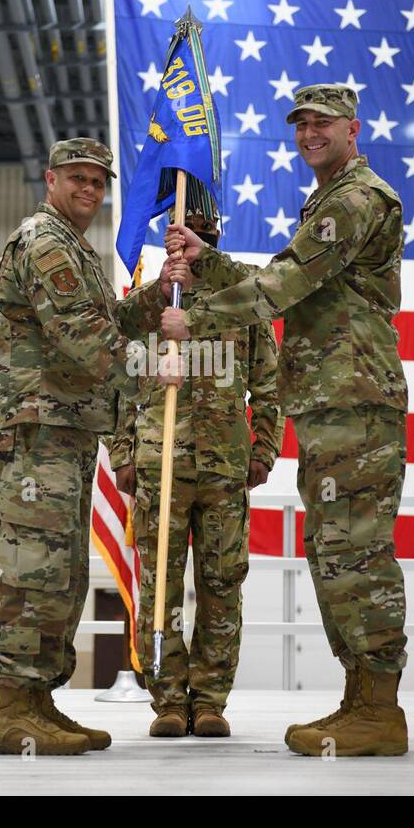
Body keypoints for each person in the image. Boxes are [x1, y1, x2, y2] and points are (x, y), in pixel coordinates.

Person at [159, 84, 410, 756]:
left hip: (355, 399)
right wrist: (205, 259)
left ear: (353, 128)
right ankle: (362, 698)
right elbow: (287, 272)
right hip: (334, 400)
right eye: (300, 124)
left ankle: (379, 707)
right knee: (334, 550)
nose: (308, 134)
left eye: (321, 123)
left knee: (356, 550)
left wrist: (197, 315)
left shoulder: (356, 200)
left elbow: (287, 283)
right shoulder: (329, 201)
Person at [0, 138, 184, 755]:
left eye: (98, 182)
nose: (88, 191)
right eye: (77, 179)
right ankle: (13, 709)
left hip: (63, 434)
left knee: (63, 573)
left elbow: (108, 324)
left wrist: (160, 294)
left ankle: (39, 701)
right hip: (34, 433)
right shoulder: (45, 242)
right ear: (50, 180)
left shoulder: (76, 249)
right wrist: (156, 365)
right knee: (34, 573)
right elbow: (82, 340)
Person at [112, 211, 284, 738]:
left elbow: (270, 387)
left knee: (221, 585)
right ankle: (167, 699)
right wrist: (123, 454)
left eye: (201, 240)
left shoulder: (241, 302)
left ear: (211, 242)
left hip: (224, 469)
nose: (189, 248)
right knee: (159, 586)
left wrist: (264, 451)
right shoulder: (150, 304)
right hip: (158, 469)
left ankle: (210, 700)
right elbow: (116, 388)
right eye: (181, 240)